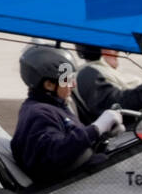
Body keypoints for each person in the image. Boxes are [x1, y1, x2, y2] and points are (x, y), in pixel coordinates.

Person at [10, 45, 124, 185]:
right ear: (49, 85)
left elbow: (74, 142)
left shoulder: (55, 106)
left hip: (87, 173)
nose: (73, 84)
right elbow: (56, 153)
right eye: (67, 79)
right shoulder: (39, 114)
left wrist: (103, 135)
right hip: (76, 185)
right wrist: (96, 128)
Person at [72, 43, 142, 124]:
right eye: (111, 46)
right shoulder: (88, 73)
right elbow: (116, 105)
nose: (118, 51)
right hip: (127, 139)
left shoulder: (103, 72)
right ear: (96, 48)